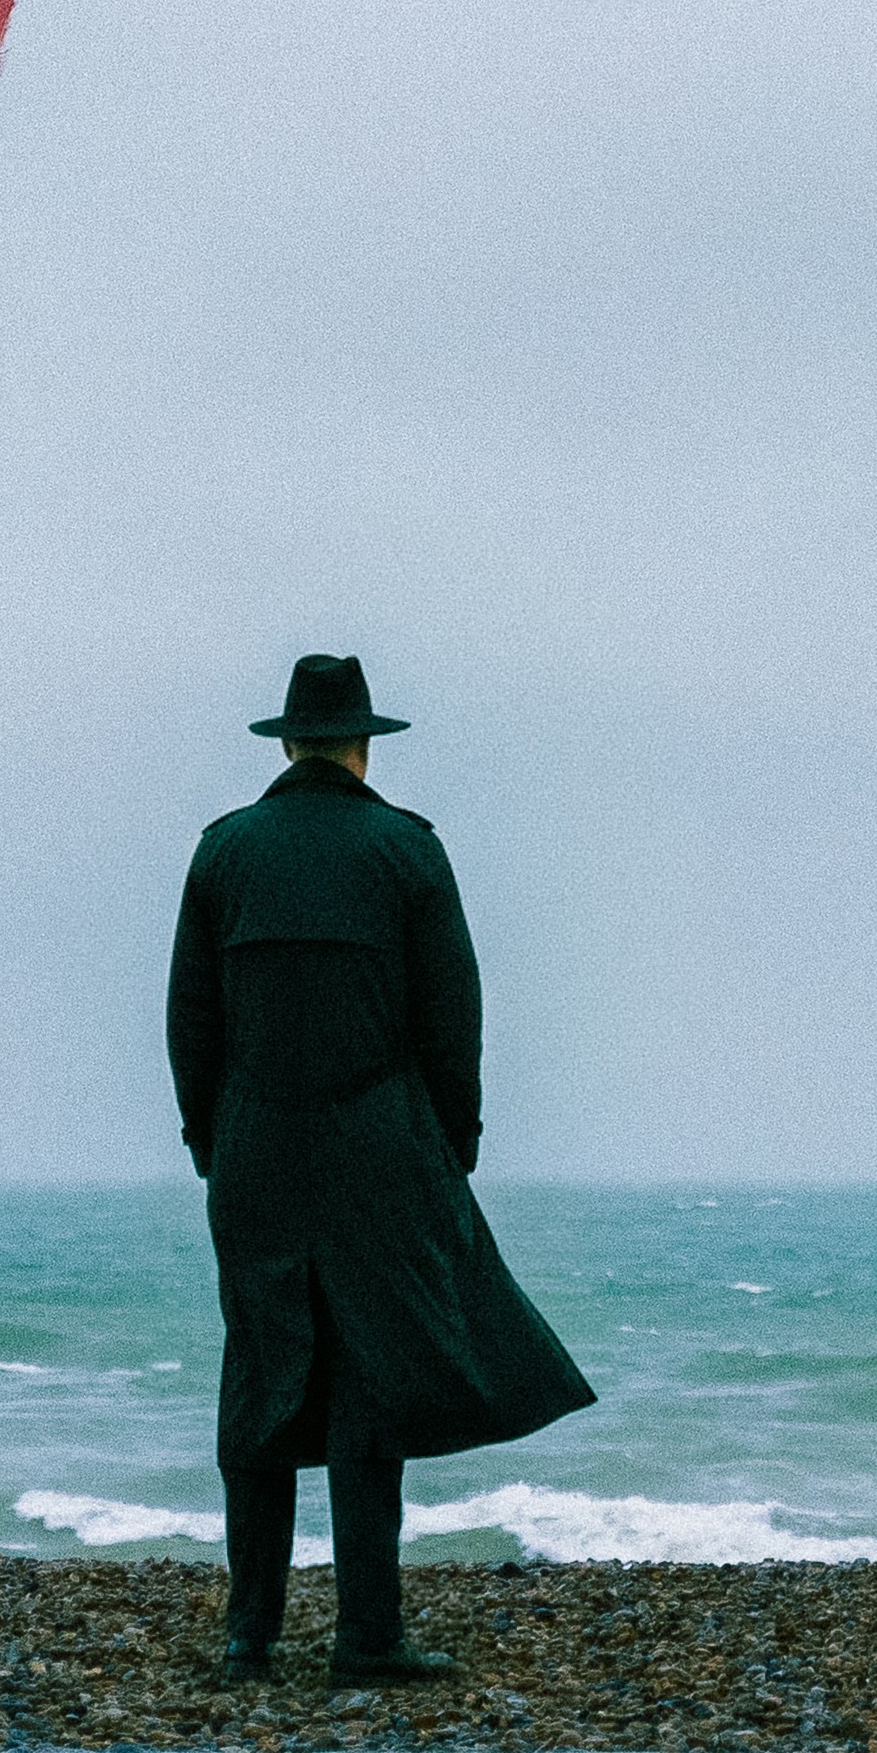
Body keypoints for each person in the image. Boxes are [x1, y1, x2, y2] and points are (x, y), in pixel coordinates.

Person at [166, 654, 595, 1682]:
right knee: (369, 1378)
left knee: (263, 1371)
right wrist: (453, 1144)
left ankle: (249, 1633)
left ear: (288, 744)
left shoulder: (223, 853)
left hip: (257, 1145)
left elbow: (190, 1021)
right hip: (378, 1142)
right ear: (362, 747)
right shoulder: (407, 852)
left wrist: (210, 1144)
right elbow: (454, 1017)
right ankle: (368, 1636)